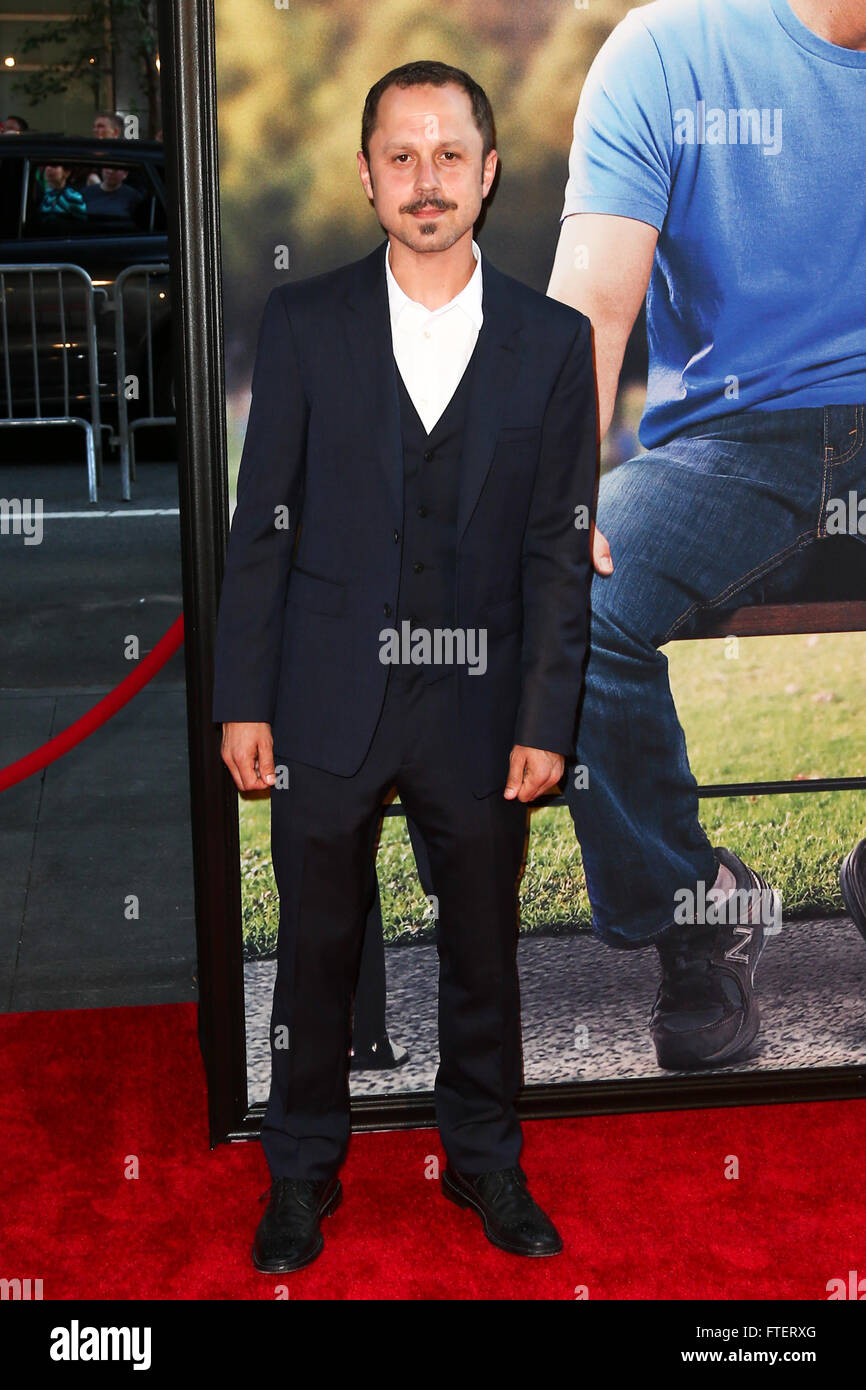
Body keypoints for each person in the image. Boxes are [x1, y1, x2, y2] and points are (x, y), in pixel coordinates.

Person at [213, 59, 598, 1272]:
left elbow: (553, 551)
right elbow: (258, 523)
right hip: (326, 695)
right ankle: (300, 1175)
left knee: (485, 951)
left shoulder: (553, 340)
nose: (423, 180)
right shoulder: (303, 323)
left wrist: (547, 716)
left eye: (448, 155)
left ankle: (483, 1163)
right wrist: (242, 700)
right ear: (367, 175)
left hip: (481, 707)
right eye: (400, 155)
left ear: (487, 174)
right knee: (314, 955)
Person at [547, 0, 866, 1072]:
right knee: (573, 602)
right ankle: (701, 911)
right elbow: (590, 306)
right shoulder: (666, 49)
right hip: (732, 442)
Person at [82, 167, 144, 231]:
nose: (110, 171)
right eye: (107, 167)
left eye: (116, 169)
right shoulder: (86, 192)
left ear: (125, 173)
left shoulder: (133, 196)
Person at [38, 163, 87, 228]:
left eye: (54, 166)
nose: (48, 168)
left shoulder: (73, 196)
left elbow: (82, 226)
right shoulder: (44, 193)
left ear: (67, 173)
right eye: (46, 165)